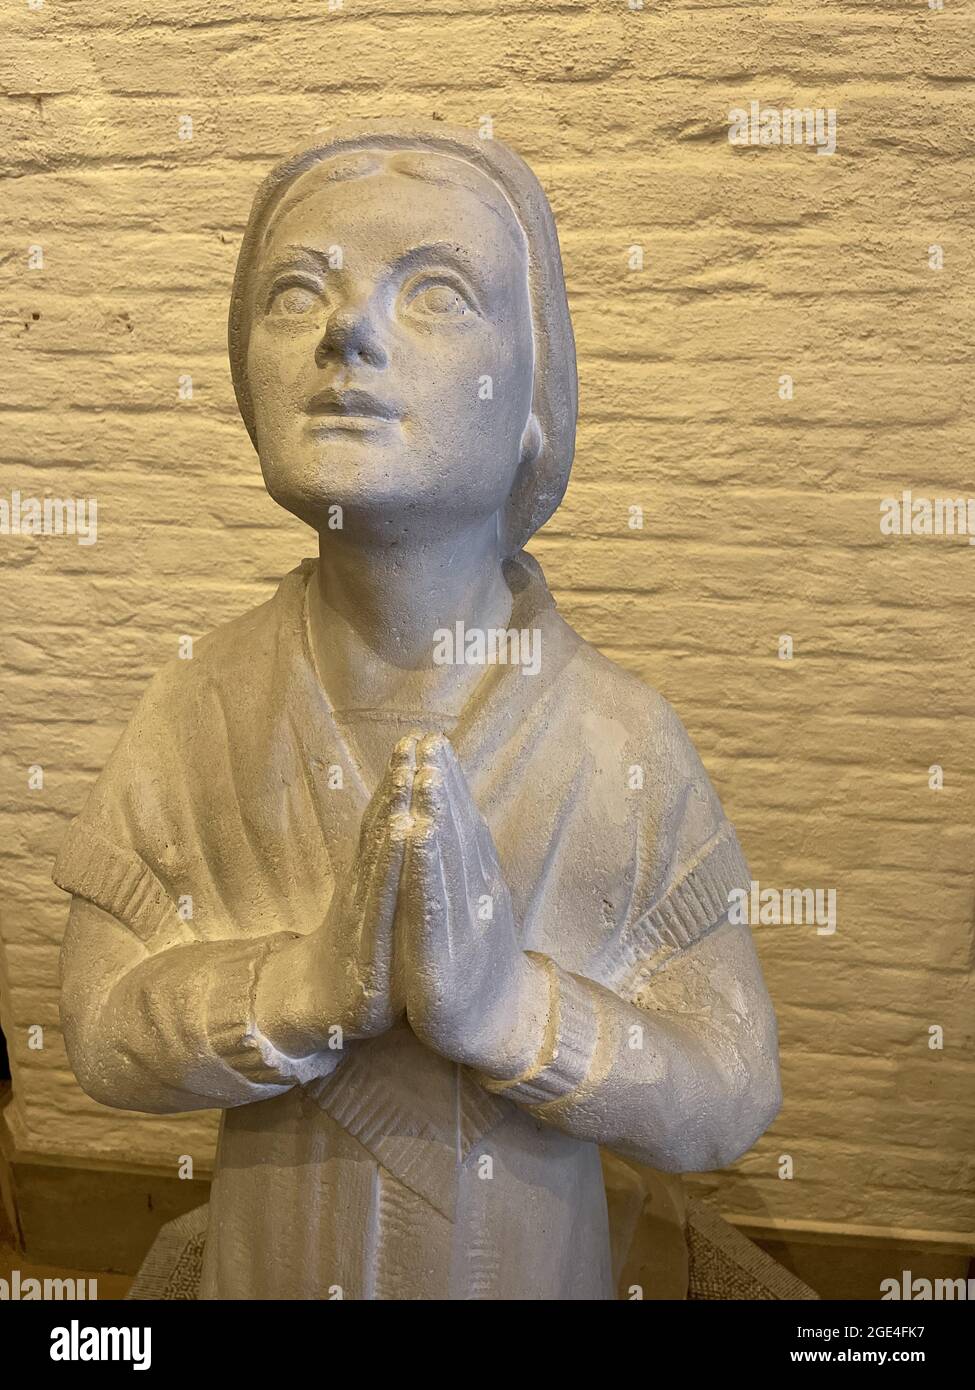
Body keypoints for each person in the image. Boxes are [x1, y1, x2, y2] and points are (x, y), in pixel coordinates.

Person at [55, 121, 781, 1300]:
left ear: (535, 404)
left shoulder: (620, 746)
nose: (348, 329)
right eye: (297, 290)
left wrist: (511, 1013)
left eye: (437, 294)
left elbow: (731, 1091)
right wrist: (293, 992)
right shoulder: (198, 714)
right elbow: (99, 1031)